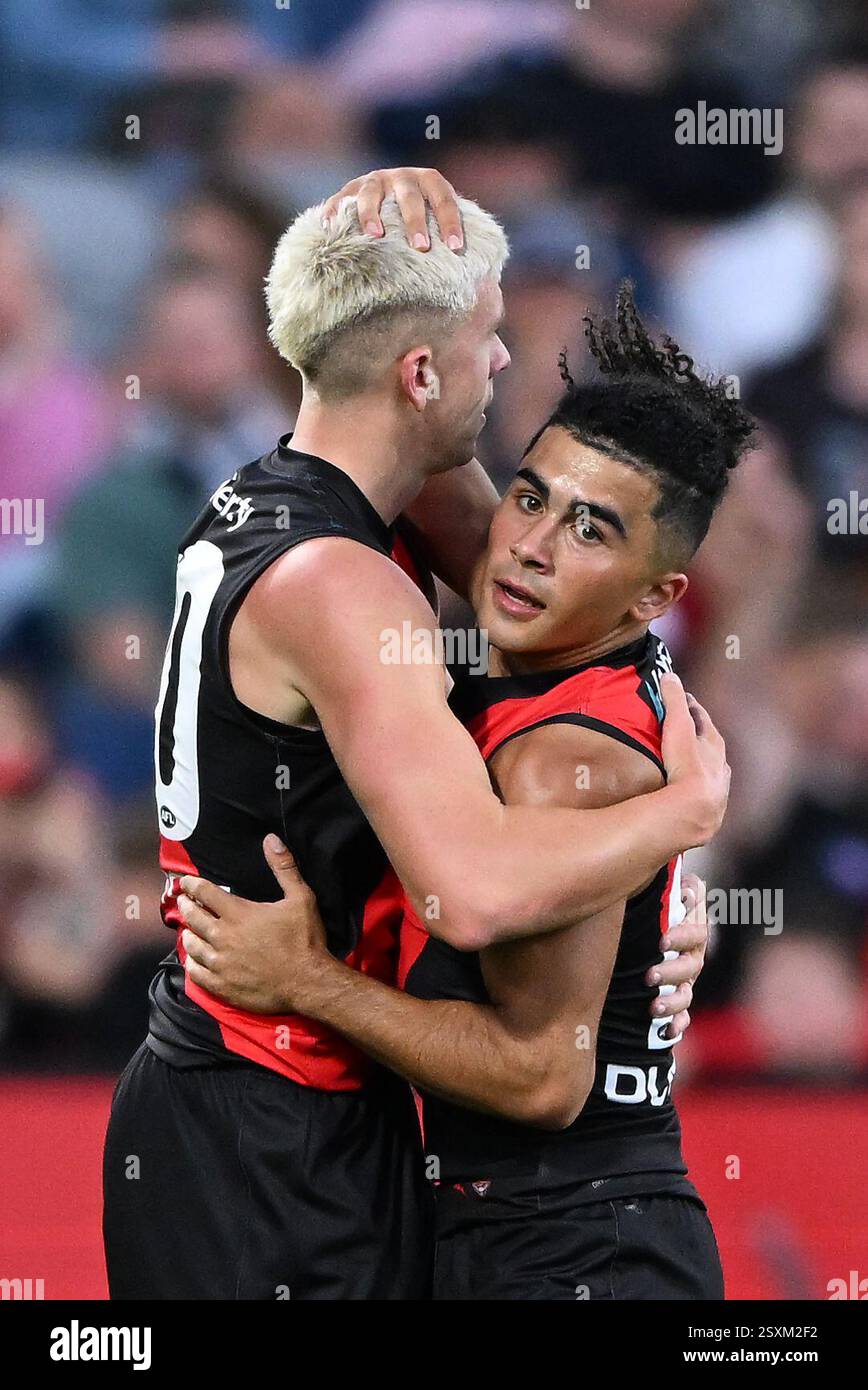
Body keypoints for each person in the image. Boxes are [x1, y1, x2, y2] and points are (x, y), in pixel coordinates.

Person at [103, 169, 729, 1301]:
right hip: (271, 1119)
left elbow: (580, 609)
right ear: (420, 373)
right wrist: (675, 819)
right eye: (488, 333)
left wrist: (655, 901)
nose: (503, 363)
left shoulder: (305, 490)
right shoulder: (346, 587)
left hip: (280, 1099)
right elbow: (478, 897)